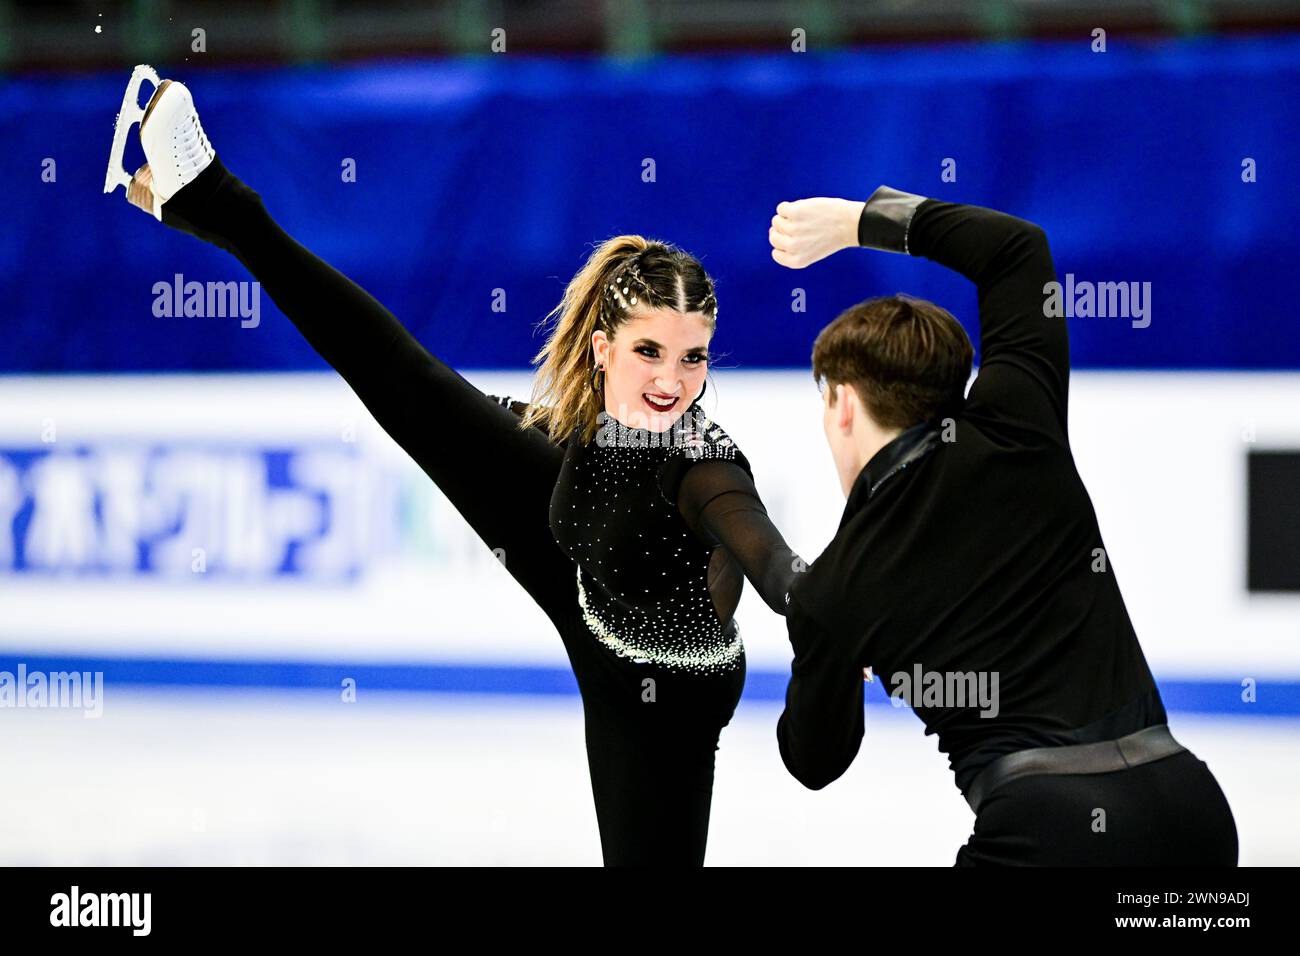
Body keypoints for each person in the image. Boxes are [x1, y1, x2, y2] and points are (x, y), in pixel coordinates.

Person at [105, 69, 803, 866]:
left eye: (693, 358)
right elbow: (412, 381)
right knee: (409, 384)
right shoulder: (575, 439)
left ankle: (210, 204)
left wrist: (827, 606)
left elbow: (771, 557)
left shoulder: (702, 463)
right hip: (594, 605)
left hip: (669, 681)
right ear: (604, 349)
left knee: (414, 386)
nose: (673, 381)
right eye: (649, 351)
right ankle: (212, 201)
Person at [766, 187, 1238, 866]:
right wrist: (855, 222)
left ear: (842, 402)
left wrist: (821, 638)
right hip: (1192, 807)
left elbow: (813, 761)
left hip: (1049, 832)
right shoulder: (1020, 419)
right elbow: (1016, 250)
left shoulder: (837, 585)